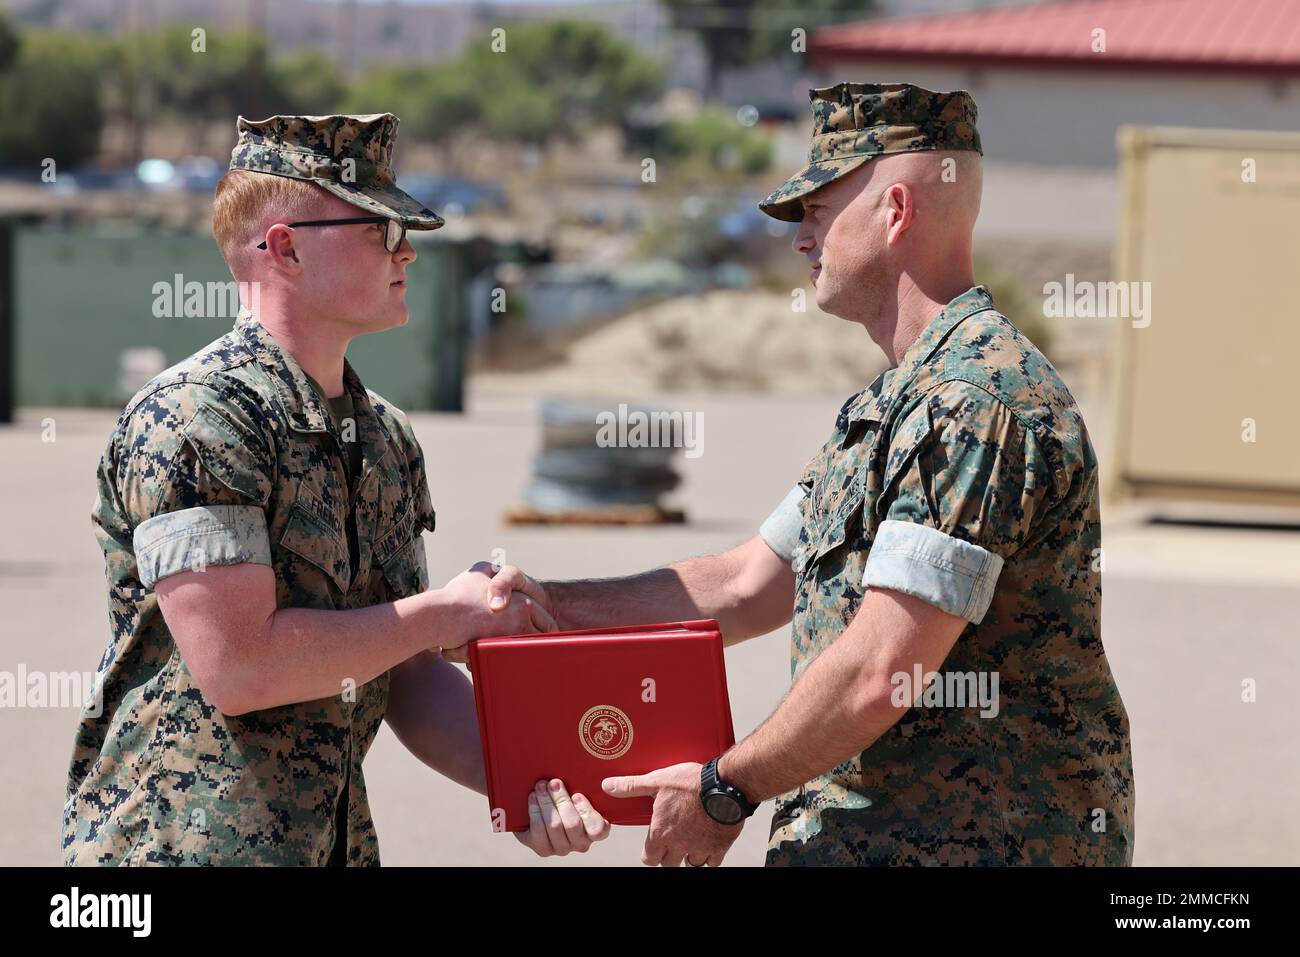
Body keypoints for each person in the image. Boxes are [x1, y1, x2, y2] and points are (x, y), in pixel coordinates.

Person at [461, 83, 1135, 867]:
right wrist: (548, 610)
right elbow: (747, 582)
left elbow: (885, 667)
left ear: (894, 210)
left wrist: (724, 786)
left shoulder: (973, 401)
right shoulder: (895, 401)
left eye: (817, 209)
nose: (799, 238)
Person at [62, 113, 608, 865]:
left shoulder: (382, 435)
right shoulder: (196, 420)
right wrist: (444, 610)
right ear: (284, 247)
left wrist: (530, 783)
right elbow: (241, 666)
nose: (406, 249)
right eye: (378, 229)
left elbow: (410, 673)